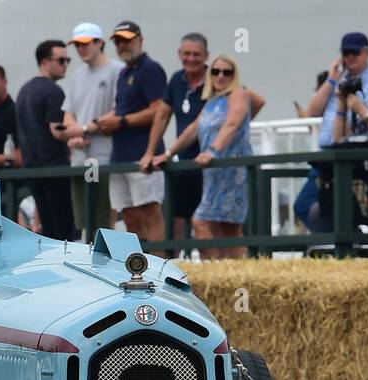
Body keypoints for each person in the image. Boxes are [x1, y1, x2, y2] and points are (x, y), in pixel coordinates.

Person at [153, 53, 252, 259]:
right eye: (216, 71)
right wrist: (169, 153)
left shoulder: (238, 94)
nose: (221, 76)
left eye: (227, 72)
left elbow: (232, 124)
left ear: (234, 75)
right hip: (213, 172)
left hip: (232, 170)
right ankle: (232, 274)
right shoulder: (213, 100)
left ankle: (215, 272)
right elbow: (193, 129)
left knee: (203, 222)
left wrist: (212, 151)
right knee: (228, 229)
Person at [96, 20, 167, 243]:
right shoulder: (125, 72)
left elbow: (158, 110)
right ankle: (139, 269)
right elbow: (123, 109)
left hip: (144, 153)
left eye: (126, 40)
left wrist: (121, 122)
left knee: (149, 212)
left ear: (140, 40)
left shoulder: (151, 68)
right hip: (120, 154)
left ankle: (159, 268)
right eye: (118, 41)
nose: (122, 45)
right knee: (129, 215)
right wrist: (106, 122)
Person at [145, 32, 207, 245]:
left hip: (210, 162)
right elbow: (162, 116)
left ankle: (214, 269)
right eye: (186, 53)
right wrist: (150, 152)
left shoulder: (217, 78)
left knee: (206, 221)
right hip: (184, 163)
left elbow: (196, 127)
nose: (190, 59)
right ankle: (172, 269)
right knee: (175, 219)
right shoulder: (177, 80)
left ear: (206, 56)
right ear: (179, 54)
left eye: (196, 54)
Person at [64, 23, 121, 239]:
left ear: (100, 43)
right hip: (80, 159)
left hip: (105, 156)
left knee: (104, 216)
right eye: (77, 45)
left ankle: (108, 267)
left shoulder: (117, 70)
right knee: (85, 218)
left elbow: (119, 112)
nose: (81, 49)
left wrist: (85, 129)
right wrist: (75, 133)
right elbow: (68, 113)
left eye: (85, 44)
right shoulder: (78, 75)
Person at [15, 39, 76, 241]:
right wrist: (83, 132)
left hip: (33, 169)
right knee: (64, 231)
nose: (65, 64)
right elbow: (57, 130)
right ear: (45, 61)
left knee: (49, 230)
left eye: (68, 60)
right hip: (55, 169)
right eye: (61, 60)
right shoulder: (53, 91)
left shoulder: (24, 90)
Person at [305, 31, 368, 146]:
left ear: (367, 53)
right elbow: (311, 113)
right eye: (346, 53)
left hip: (355, 146)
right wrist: (331, 79)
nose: (350, 57)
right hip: (326, 148)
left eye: (355, 53)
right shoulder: (336, 80)